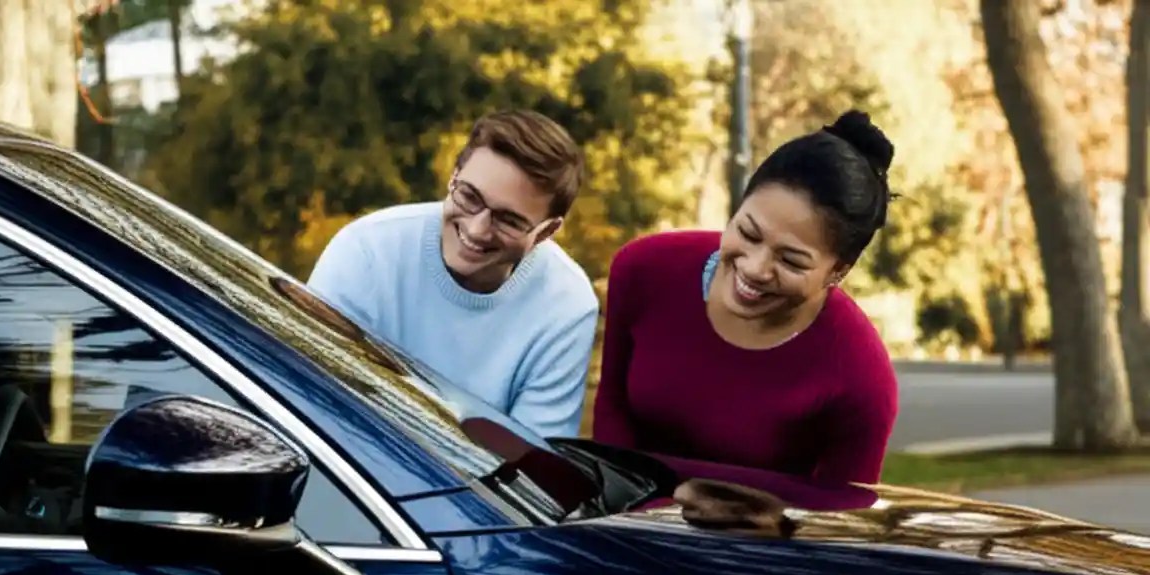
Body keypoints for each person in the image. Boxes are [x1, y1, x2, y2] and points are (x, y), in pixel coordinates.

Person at [592, 109, 900, 512]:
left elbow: (839, 521)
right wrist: (629, 512)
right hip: (621, 530)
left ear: (838, 271)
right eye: (748, 233)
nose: (755, 268)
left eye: (791, 261)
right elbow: (613, 408)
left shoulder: (860, 377)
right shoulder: (644, 270)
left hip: (752, 559)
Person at [306, 110, 600, 439]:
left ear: (545, 233)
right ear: (453, 176)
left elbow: (534, 466)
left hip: (478, 488)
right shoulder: (367, 251)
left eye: (509, 220)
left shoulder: (566, 304)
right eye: (469, 197)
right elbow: (311, 399)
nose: (477, 229)